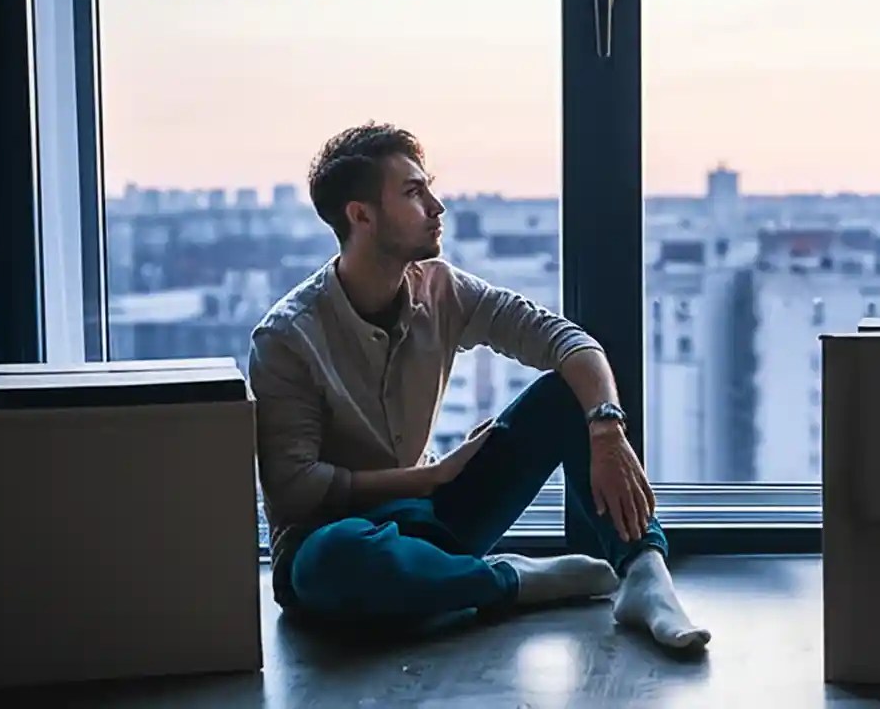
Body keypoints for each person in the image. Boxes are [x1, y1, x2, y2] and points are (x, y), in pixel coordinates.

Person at [248, 122, 710, 652]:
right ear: (361, 215)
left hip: (431, 520)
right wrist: (422, 479)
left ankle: (645, 575)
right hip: (330, 542)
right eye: (414, 192)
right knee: (335, 562)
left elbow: (568, 342)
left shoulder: (441, 287)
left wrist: (606, 430)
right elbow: (295, 487)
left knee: (569, 396)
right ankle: (507, 582)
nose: (437, 206)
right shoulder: (288, 336)